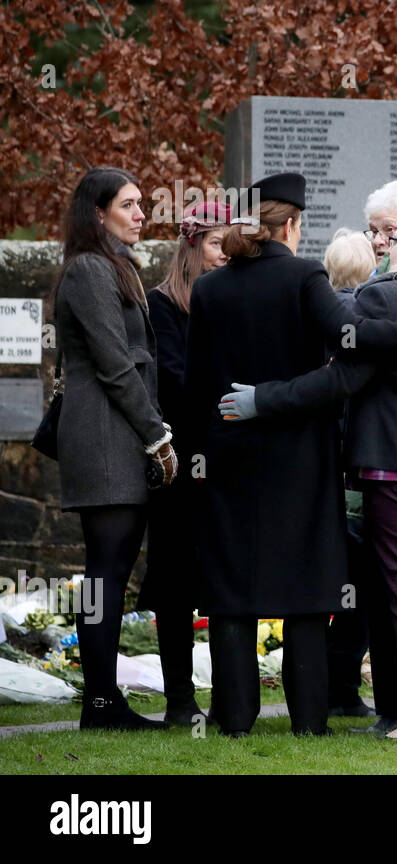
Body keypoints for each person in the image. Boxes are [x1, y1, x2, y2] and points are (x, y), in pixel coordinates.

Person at [184, 173, 397, 738]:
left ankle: (235, 719)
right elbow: (351, 336)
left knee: (233, 593)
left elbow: (197, 388)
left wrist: (202, 457)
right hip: (299, 455)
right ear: (291, 225)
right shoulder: (301, 275)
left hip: (228, 454)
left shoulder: (209, 289)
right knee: (306, 593)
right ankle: (309, 721)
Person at [53, 166, 179, 731]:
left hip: (119, 434)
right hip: (105, 437)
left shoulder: (114, 266)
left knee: (112, 568)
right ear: (98, 212)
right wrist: (157, 434)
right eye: (129, 205)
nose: (140, 215)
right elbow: (113, 361)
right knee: (105, 571)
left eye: (141, 204)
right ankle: (100, 704)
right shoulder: (87, 270)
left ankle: (102, 702)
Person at [137, 200, 231, 727]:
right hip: (178, 464)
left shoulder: (229, 302)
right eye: (216, 244)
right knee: (174, 584)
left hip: (223, 461)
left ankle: (226, 699)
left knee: (221, 580)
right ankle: (179, 701)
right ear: (192, 246)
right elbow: (172, 377)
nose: (225, 255)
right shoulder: (162, 305)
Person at [320, 228, 391, 721]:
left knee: (335, 590)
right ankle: (342, 688)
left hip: (325, 474)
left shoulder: (318, 318)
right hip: (361, 474)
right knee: (363, 594)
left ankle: (332, 686)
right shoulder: (368, 318)